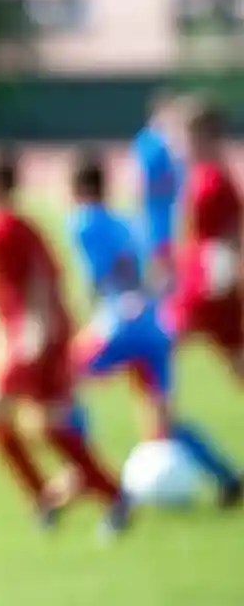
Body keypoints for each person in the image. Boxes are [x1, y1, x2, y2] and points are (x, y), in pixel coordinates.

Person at [0, 143, 129, 537]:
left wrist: (32, 330)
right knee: (49, 424)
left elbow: (39, 279)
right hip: (35, 334)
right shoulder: (9, 224)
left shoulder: (4, 227)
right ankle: (108, 495)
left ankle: (45, 499)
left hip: (36, 339)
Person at [65, 146, 240, 508]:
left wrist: (97, 304)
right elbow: (157, 270)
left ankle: (85, 474)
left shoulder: (83, 222)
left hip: (121, 326)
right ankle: (226, 476)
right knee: (161, 419)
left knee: (59, 387)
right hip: (153, 328)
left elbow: (101, 276)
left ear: (75, 188)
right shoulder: (128, 222)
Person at [165, 97, 244, 388]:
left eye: (181, 137)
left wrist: (224, 278)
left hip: (206, 286)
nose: (176, 145)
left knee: (155, 347)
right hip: (206, 285)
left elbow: (230, 236)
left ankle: (161, 428)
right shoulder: (203, 176)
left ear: (202, 137)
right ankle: (163, 426)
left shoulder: (214, 181)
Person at [130, 88, 183, 295]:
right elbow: (140, 179)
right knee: (157, 261)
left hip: (171, 211)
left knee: (169, 261)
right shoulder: (149, 141)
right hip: (154, 212)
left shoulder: (173, 141)